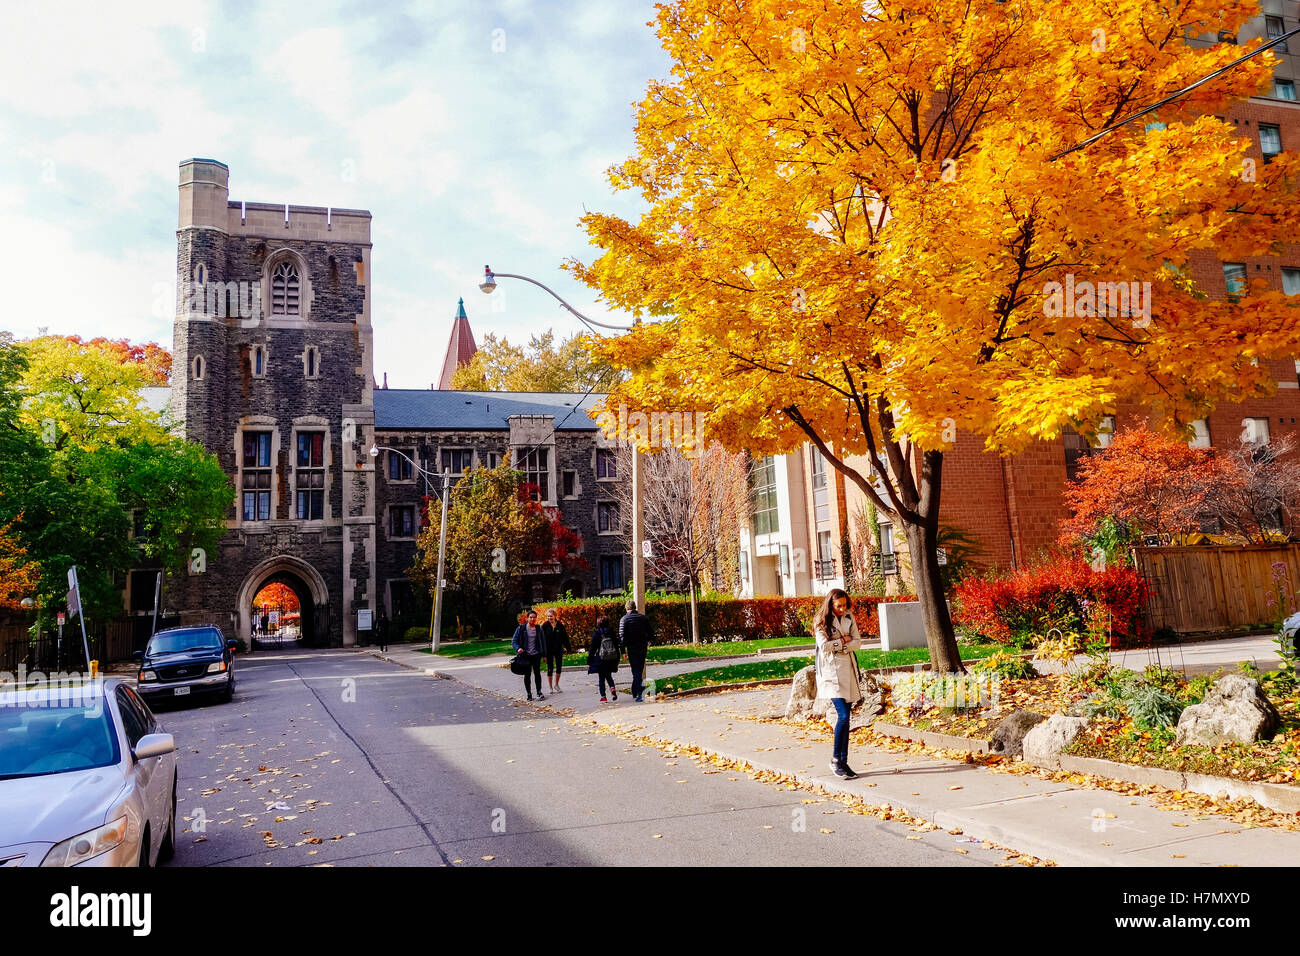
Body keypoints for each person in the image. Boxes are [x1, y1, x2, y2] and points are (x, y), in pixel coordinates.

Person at [815, 588, 863, 779]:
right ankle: (835, 760)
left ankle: (844, 761)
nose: (842, 609)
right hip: (831, 673)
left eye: (844, 605)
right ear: (830, 604)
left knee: (848, 717)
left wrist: (839, 644)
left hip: (848, 670)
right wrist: (843, 641)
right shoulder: (821, 621)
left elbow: (858, 642)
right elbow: (824, 647)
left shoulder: (849, 617)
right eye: (838, 606)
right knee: (842, 715)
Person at [618, 599, 653, 702]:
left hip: (631, 648)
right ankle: (634, 690)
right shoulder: (643, 618)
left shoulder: (624, 620)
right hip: (642, 647)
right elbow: (651, 633)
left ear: (626, 608)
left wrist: (623, 652)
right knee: (639, 670)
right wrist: (645, 640)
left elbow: (622, 638)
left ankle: (640, 693)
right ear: (635, 607)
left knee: (635, 671)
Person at [511, 608, 547, 701]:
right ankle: (529, 694)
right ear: (527, 618)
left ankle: (539, 692)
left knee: (537, 674)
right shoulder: (521, 628)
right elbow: (514, 641)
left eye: (534, 617)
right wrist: (518, 648)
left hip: (536, 655)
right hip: (525, 656)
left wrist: (544, 655)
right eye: (531, 617)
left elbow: (543, 642)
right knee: (527, 675)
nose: (532, 619)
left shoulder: (538, 629)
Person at [586, 614, 620, 702]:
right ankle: (612, 688)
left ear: (598, 623)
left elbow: (592, 648)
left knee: (601, 678)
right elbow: (616, 645)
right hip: (611, 658)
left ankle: (603, 697)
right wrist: (617, 658)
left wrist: (590, 660)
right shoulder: (612, 632)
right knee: (608, 675)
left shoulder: (596, 634)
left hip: (601, 658)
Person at [542, 608, 570, 695]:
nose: (550, 618)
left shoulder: (560, 625)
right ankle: (550, 687)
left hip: (558, 650)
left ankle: (556, 685)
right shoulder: (544, 626)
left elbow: (565, 637)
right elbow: (542, 640)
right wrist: (543, 654)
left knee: (559, 668)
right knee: (550, 668)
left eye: (551, 616)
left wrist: (568, 648)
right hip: (548, 651)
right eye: (548, 616)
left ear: (555, 616)